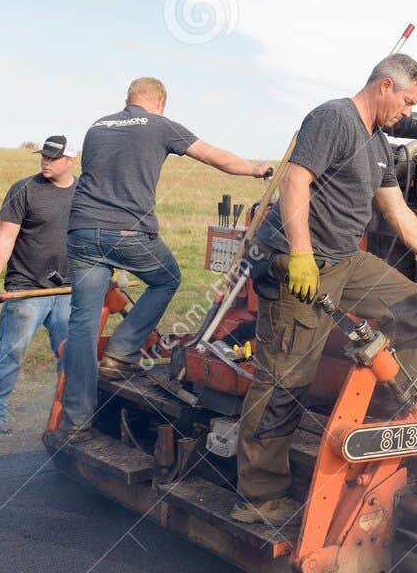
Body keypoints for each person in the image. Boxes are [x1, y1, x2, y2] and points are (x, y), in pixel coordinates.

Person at [232, 53, 417, 526]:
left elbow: (397, 212)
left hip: (344, 258)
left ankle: (388, 418)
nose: (408, 112)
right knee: (285, 378)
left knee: (412, 306)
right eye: (406, 101)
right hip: (303, 259)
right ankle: (259, 497)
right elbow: (295, 180)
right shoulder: (333, 118)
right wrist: (299, 253)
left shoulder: (377, 143)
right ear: (383, 86)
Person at [56, 77, 271, 440]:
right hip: (126, 231)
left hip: (81, 231)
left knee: (82, 325)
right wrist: (256, 170)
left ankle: (75, 423)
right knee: (166, 278)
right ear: (160, 102)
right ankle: (121, 352)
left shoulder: (97, 126)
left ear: (128, 99)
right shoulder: (160, 125)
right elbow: (215, 156)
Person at [0, 135, 78, 435]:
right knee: (10, 352)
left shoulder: (85, 192)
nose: (45, 161)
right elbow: (6, 236)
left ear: (71, 160)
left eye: (53, 157)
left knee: (71, 354)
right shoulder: (24, 189)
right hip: (26, 288)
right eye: (43, 156)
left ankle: (67, 418)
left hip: (69, 290)